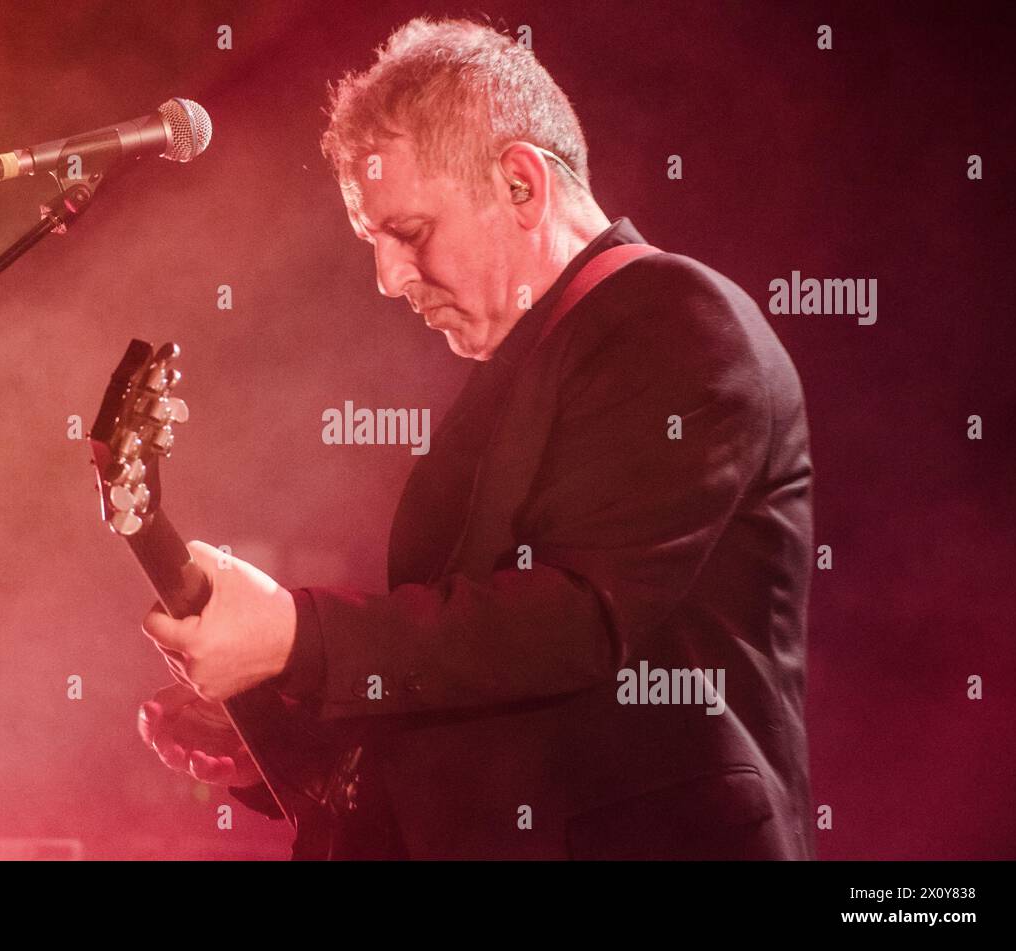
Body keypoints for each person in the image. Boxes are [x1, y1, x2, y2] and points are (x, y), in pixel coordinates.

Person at [137, 16, 816, 860]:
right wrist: (280, 722)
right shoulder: (530, 366)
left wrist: (296, 636)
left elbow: (576, 618)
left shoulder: (675, 317)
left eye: (410, 233)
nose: (388, 279)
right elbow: (475, 685)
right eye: (373, 244)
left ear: (522, 186)